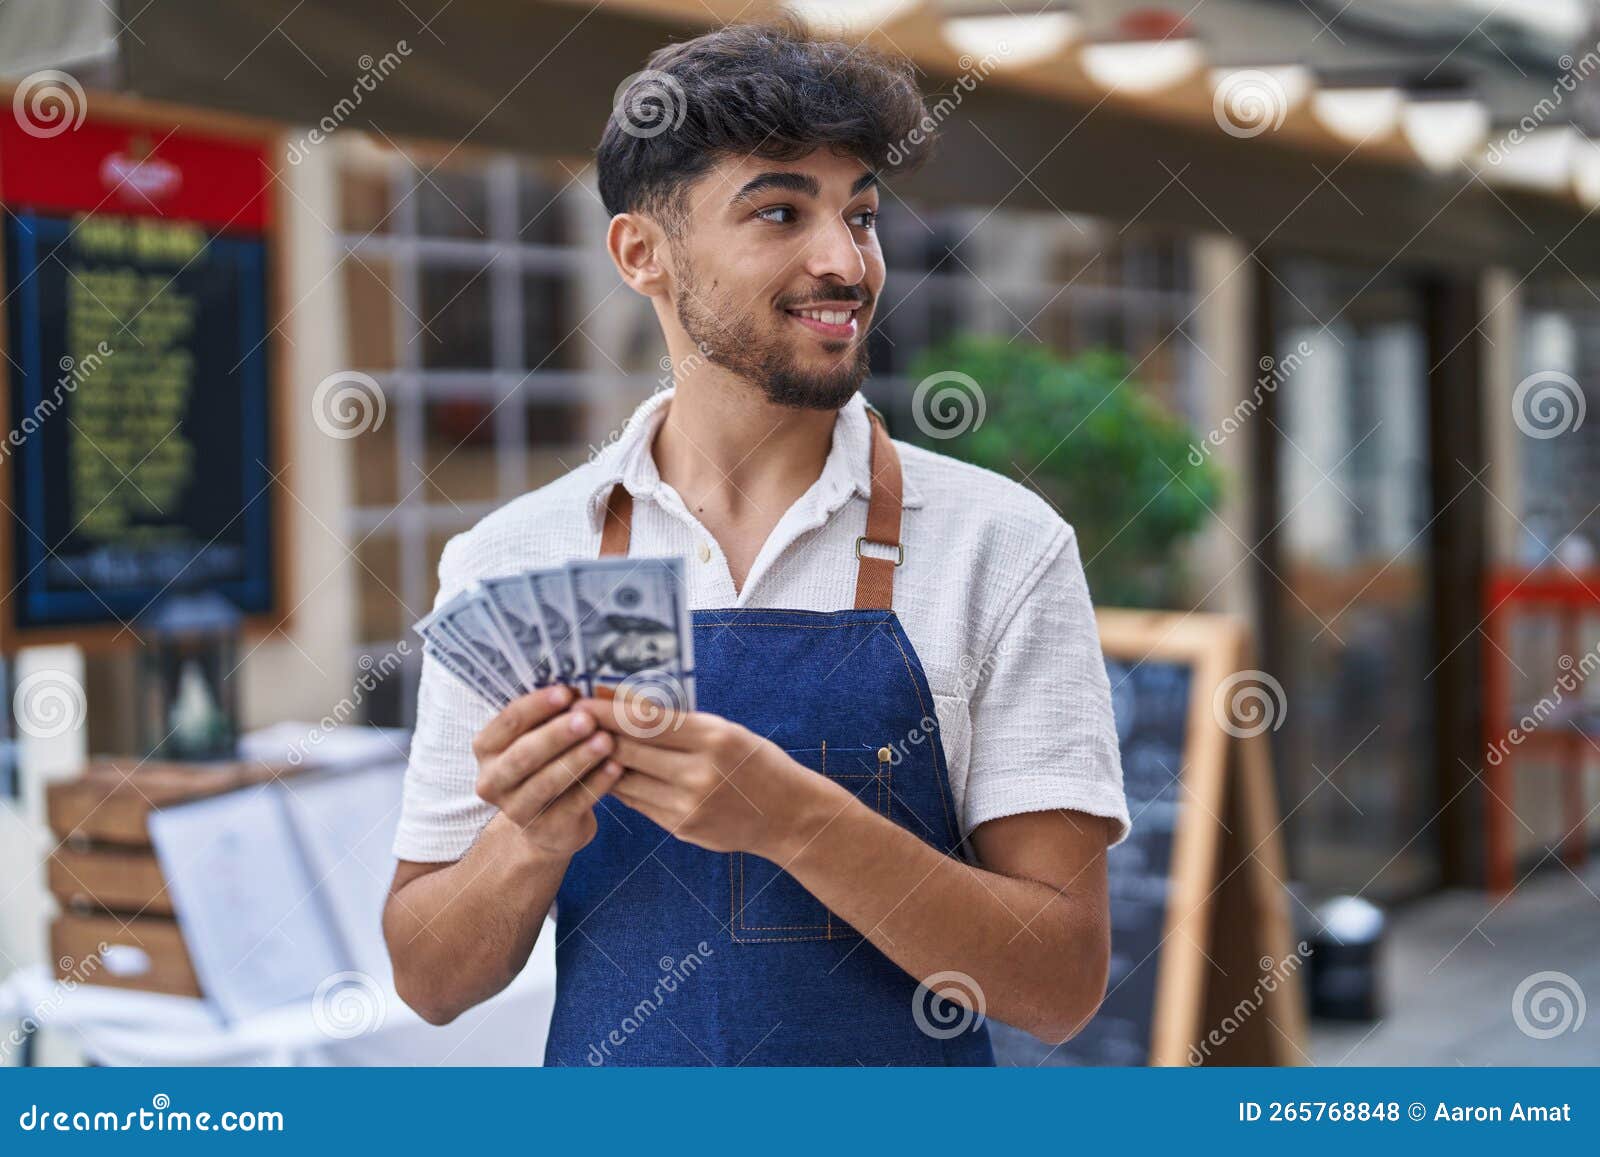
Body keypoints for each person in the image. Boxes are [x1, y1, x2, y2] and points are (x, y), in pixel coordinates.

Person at [383, 19, 1131, 1066]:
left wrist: (791, 817)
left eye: (859, 214)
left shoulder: (1000, 546)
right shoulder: (511, 557)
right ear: (642, 253)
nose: (845, 261)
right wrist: (530, 837)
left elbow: (1056, 984)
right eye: (781, 210)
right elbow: (427, 978)